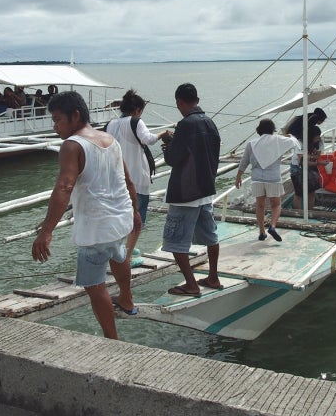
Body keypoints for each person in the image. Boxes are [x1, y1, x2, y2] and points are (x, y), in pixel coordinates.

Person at [31, 91, 142, 339]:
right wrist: (135, 211)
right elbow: (128, 180)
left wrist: (46, 231)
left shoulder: (72, 145)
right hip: (120, 220)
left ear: (75, 115)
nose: (55, 126)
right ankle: (126, 299)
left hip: (96, 228)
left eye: (58, 119)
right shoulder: (110, 140)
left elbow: (64, 187)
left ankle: (112, 340)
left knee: (94, 285)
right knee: (119, 256)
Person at [160, 83, 221, 296]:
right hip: (205, 189)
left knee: (175, 241)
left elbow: (173, 158)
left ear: (179, 102)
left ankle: (191, 284)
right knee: (211, 236)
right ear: (198, 100)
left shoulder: (185, 124)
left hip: (186, 192)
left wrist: (168, 144)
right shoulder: (210, 122)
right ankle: (213, 277)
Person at [106, 89, 165, 253]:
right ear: (137, 110)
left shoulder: (110, 124)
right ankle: (128, 254)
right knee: (136, 220)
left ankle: (117, 252)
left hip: (115, 181)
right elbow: (148, 139)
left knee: (118, 218)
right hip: (136, 179)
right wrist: (162, 134)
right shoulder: (136, 122)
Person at [235, 119, 300, 242]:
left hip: (257, 178)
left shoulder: (251, 144)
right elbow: (295, 142)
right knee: (276, 205)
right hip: (273, 177)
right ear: (272, 129)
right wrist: (289, 136)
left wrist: (238, 176)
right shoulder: (278, 141)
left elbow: (244, 161)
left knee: (260, 205)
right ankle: (272, 226)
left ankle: (261, 232)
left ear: (259, 129)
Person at [290, 124, 324, 210]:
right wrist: (317, 161)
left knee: (311, 192)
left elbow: (317, 156)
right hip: (298, 168)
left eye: (319, 137)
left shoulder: (317, 143)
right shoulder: (300, 143)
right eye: (316, 137)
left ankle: (309, 211)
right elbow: (303, 162)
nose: (318, 139)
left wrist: (311, 157)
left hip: (310, 168)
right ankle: (297, 213)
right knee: (299, 194)